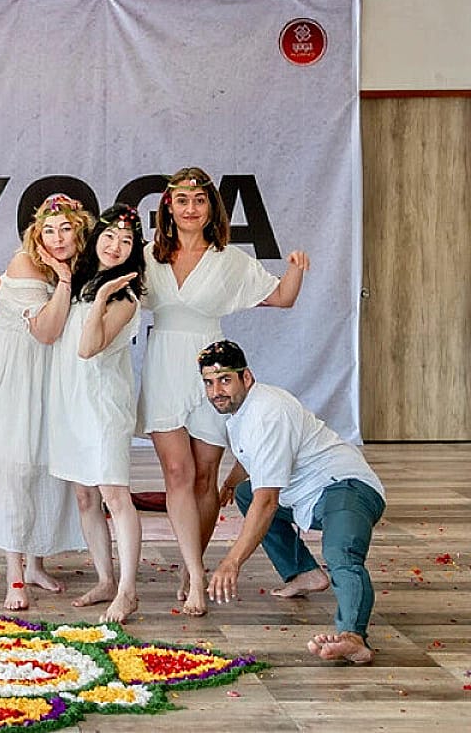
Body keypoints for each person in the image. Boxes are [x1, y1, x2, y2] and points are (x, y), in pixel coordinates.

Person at [137, 166, 309, 616]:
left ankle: (190, 564)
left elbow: (282, 297)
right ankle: (196, 574)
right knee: (177, 472)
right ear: (168, 207)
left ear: (211, 207)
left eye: (199, 200)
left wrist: (295, 270)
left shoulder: (228, 259)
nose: (191, 208)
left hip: (209, 367)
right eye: (182, 200)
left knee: (204, 475)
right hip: (163, 365)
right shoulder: (148, 256)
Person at [199, 340, 385, 664]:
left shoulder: (268, 412)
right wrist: (230, 482)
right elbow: (253, 454)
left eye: (225, 380)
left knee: (341, 553)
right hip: (306, 495)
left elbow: (268, 502)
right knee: (245, 492)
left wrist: (231, 562)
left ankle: (353, 637)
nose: (216, 391)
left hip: (345, 486)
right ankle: (304, 573)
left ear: (246, 377)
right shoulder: (243, 409)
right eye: (209, 383)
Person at [0, 194, 91, 611]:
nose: (57, 238)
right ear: (36, 235)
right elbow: (46, 332)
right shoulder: (25, 264)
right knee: (15, 466)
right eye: (48, 230)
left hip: (49, 370)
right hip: (14, 369)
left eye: (65, 229)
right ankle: (14, 574)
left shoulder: (77, 265)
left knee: (45, 463)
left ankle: (36, 563)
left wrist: (68, 276)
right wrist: (65, 281)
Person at [48, 204, 146, 623]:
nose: (115, 246)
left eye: (126, 241)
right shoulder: (79, 280)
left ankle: (128, 590)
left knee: (115, 497)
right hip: (71, 401)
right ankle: (105, 579)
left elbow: (88, 348)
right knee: (84, 495)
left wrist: (104, 296)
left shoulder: (125, 297)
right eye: (109, 237)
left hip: (103, 406)